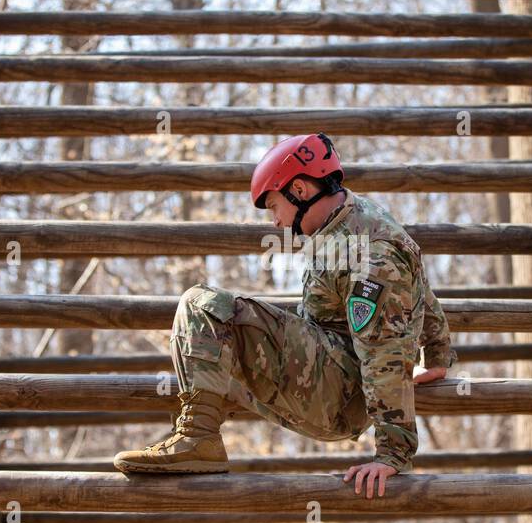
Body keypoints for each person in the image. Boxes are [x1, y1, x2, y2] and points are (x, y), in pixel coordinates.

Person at [113, 132, 457, 498]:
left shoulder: (370, 255)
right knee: (209, 341)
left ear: (300, 190)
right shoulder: (355, 220)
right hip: (332, 380)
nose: (276, 222)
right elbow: (419, 287)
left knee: (202, 305)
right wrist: (437, 355)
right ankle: (199, 428)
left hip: (336, 397)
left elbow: (383, 352)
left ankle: (198, 439)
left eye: (275, 207)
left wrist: (393, 454)